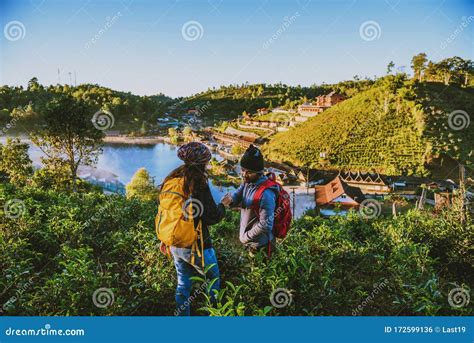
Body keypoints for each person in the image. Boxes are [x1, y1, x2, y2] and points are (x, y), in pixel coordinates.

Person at [157, 142, 226, 316]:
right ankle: (214, 314)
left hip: (175, 244)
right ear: (202, 163)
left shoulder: (172, 180)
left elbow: (168, 212)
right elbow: (212, 217)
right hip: (197, 245)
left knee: (183, 283)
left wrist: (165, 238)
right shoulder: (197, 183)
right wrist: (224, 204)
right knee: (213, 281)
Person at [221, 144, 279, 256]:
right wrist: (231, 200)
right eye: (243, 170)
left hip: (261, 245)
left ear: (259, 172)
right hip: (251, 242)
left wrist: (244, 238)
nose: (244, 174)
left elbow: (266, 224)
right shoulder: (248, 182)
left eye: (248, 172)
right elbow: (239, 192)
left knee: (260, 272)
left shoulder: (266, 194)